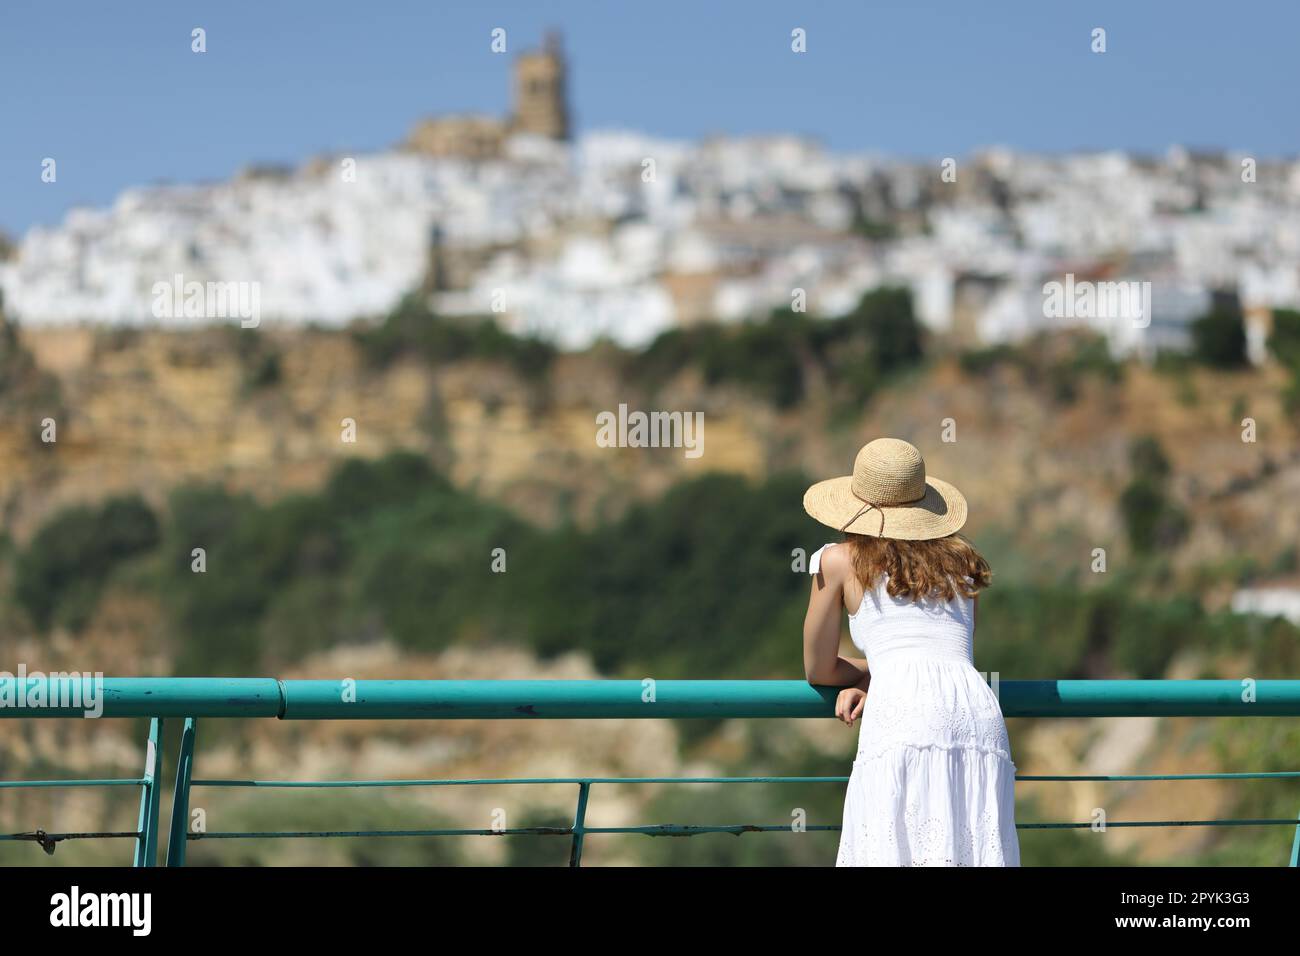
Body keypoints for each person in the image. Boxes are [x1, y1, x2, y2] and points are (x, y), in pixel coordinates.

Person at [801, 437, 1019, 866]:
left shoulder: (838, 561)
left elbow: (818, 668)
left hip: (903, 712)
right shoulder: (963, 564)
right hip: (974, 710)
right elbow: (940, 653)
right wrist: (876, 675)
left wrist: (873, 677)